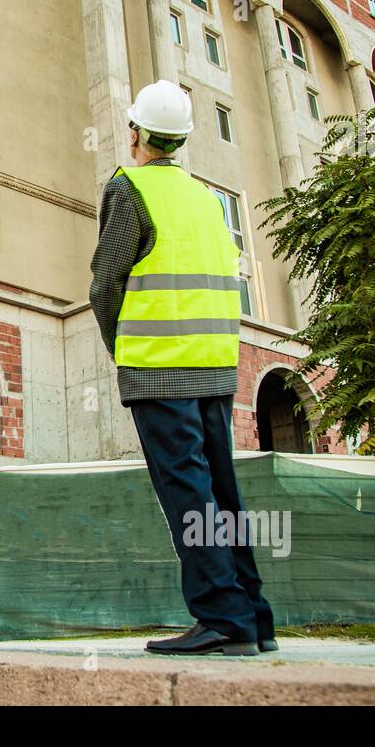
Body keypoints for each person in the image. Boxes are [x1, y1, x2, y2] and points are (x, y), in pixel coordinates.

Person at [88, 80, 276, 656]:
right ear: (183, 140)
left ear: (136, 133)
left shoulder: (128, 187)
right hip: (216, 364)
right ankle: (254, 618)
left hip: (160, 367)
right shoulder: (205, 196)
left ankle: (222, 617)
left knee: (188, 490)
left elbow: (104, 284)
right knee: (221, 488)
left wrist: (123, 348)